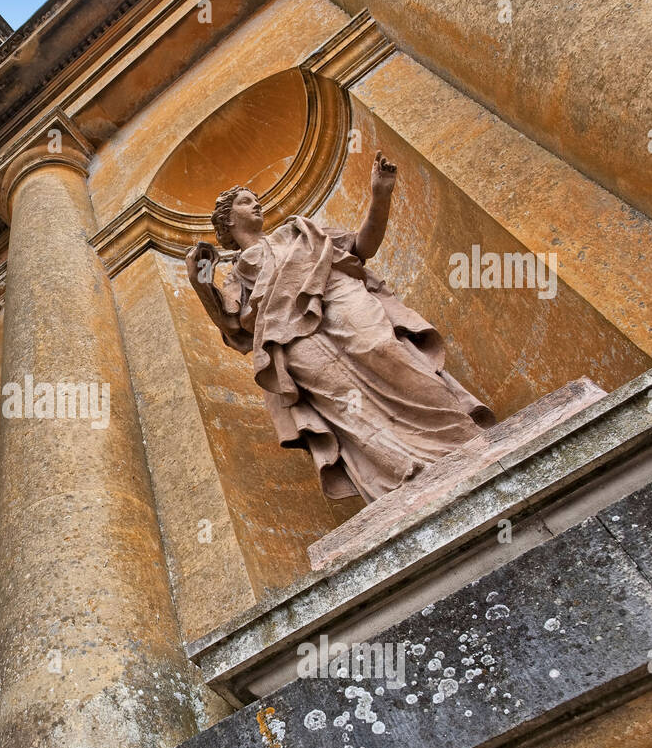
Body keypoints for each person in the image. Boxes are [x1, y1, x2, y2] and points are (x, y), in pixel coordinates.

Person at [186, 151, 494, 503]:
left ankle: (462, 438)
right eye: (245, 202)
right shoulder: (238, 274)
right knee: (344, 404)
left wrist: (380, 194)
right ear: (227, 221)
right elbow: (233, 326)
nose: (256, 204)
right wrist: (199, 279)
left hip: (339, 297)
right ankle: (402, 472)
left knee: (386, 351)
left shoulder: (301, 232)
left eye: (256, 199)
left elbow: (363, 245)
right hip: (289, 337)